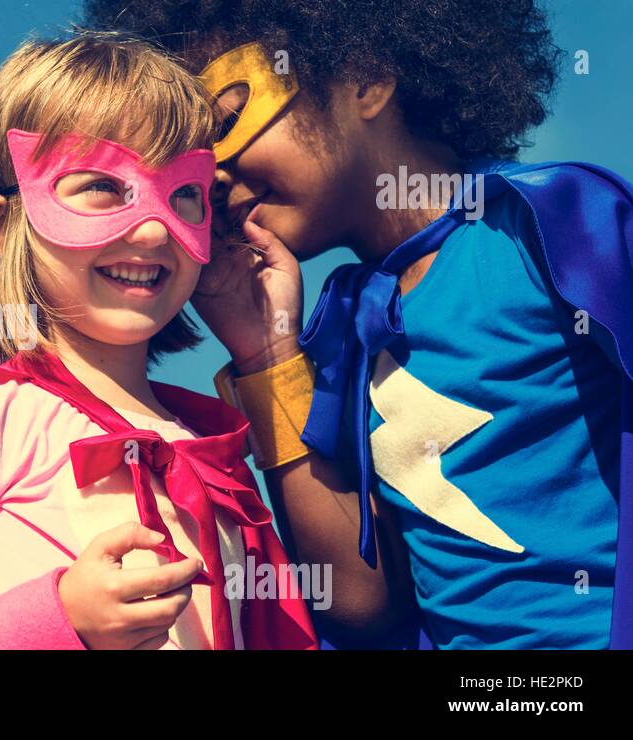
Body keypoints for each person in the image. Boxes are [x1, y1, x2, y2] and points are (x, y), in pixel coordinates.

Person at [85, 0, 633, 648]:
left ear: (367, 78)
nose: (218, 177)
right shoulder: (344, 327)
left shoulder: (555, 223)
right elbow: (359, 606)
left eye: (230, 123)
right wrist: (268, 356)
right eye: (198, 163)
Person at [0, 31, 318, 650]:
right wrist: (57, 619)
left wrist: (268, 350)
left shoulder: (216, 447)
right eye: (100, 186)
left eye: (182, 195)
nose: (152, 231)